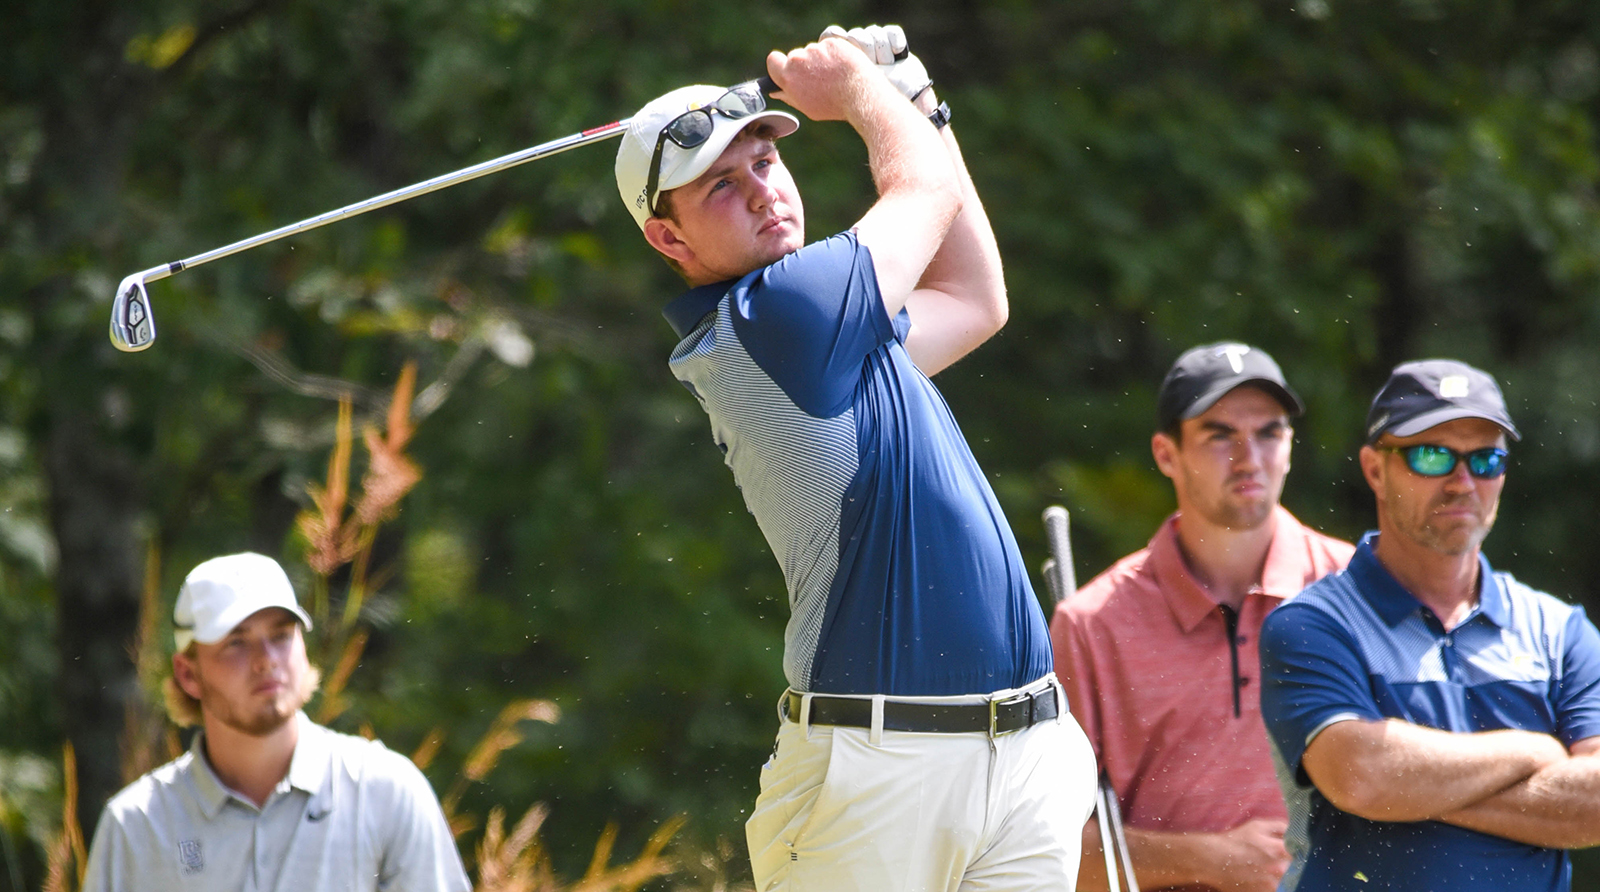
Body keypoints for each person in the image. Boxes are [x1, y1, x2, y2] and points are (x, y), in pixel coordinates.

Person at [613, 23, 1096, 890]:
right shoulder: (779, 319)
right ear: (668, 240)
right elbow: (921, 192)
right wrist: (863, 91)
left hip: (1021, 754)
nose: (762, 192)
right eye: (721, 186)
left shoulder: (832, 336)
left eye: (764, 163)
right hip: (878, 771)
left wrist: (911, 89)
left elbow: (975, 299)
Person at [1259, 359, 1600, 891]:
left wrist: (1415, 788)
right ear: (1375, 469)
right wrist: (1530, 752)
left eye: (1486, 459)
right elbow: (1362, 774)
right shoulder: (1311, 625)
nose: (1463, 482)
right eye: (1432, 455)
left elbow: (1596, 805)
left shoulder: (1561, 631)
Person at [1051, 342, 1353, 892]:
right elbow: (1043, 846)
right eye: (1220, 435)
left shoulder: (1357, 590)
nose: (1250, 457)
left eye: (1270, 432)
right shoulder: (1091, 624)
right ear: (1167, 454)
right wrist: (1206, 860)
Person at [83, 552, 470, 892]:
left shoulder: (386, 792)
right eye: (236, 641)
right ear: (188, 674)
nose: (266, 658)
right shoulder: (135, 827)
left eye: (282, 636)